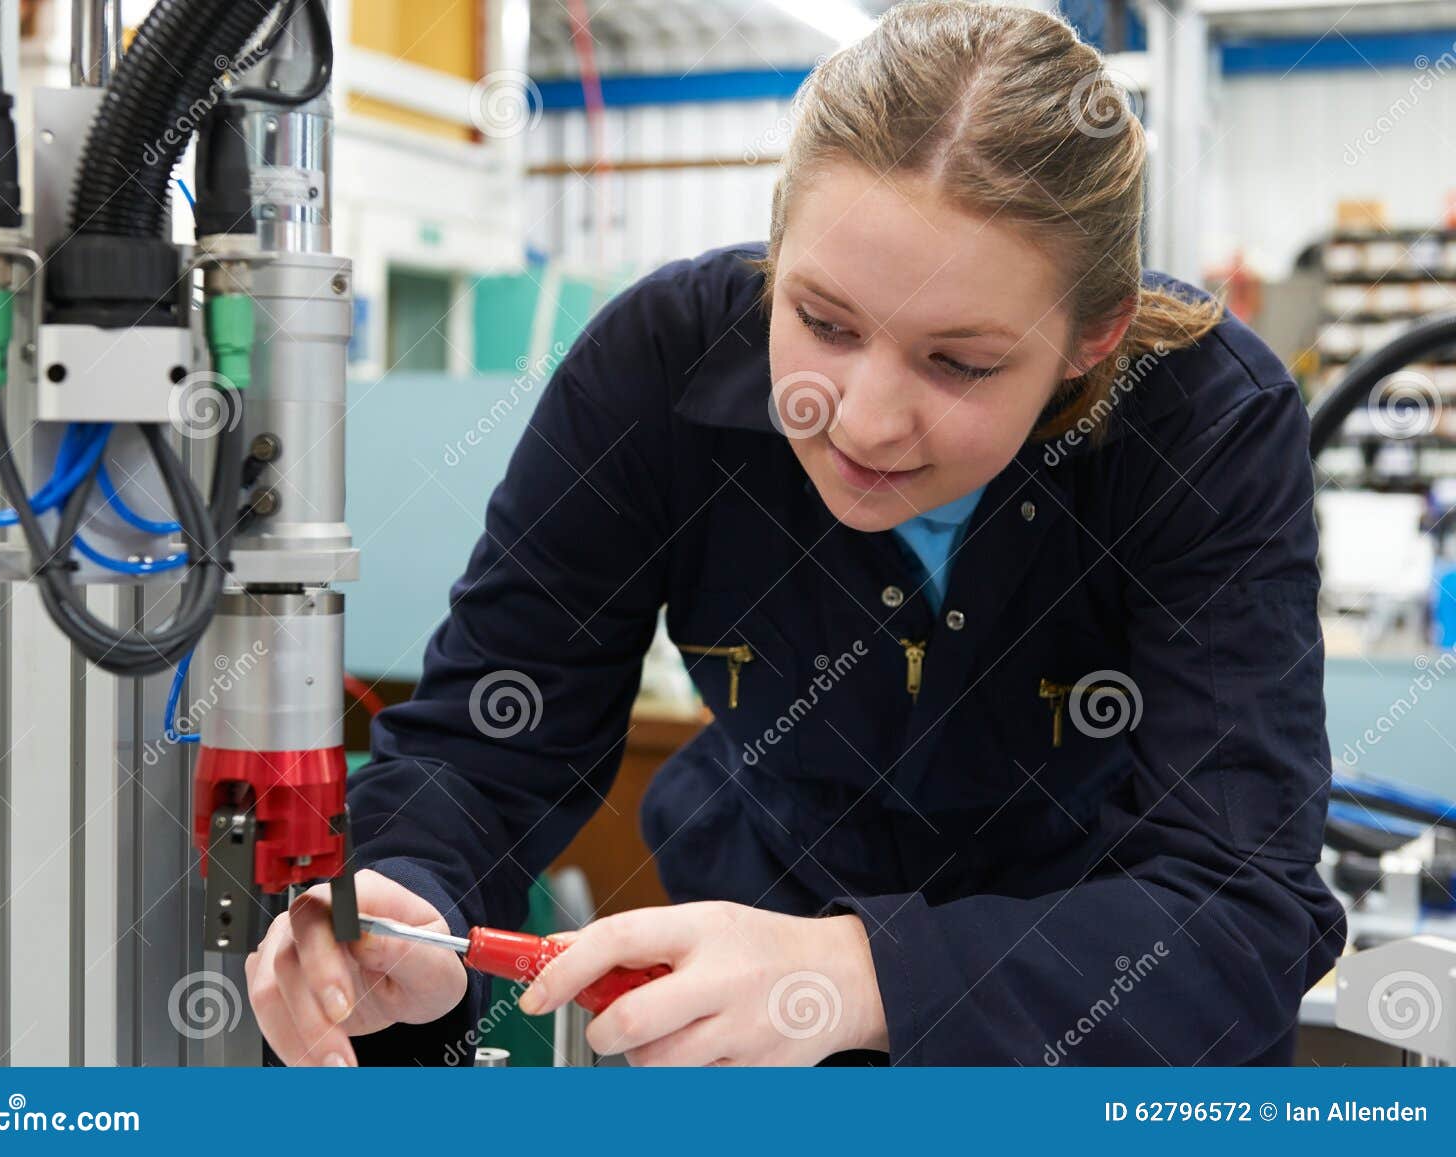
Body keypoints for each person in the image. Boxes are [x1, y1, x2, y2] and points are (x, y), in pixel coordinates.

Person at [247, 0, 1343, 1067]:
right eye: (822, 322)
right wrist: (412, 898)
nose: (861, 418)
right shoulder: (658, 364)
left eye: (959, 362)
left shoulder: (1204, 418)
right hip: (761, 1015)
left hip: (1097, 1041)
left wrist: (863, 976)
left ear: (1090, 336)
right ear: (776, 248)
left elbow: (1241, 908)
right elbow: (486, 746)